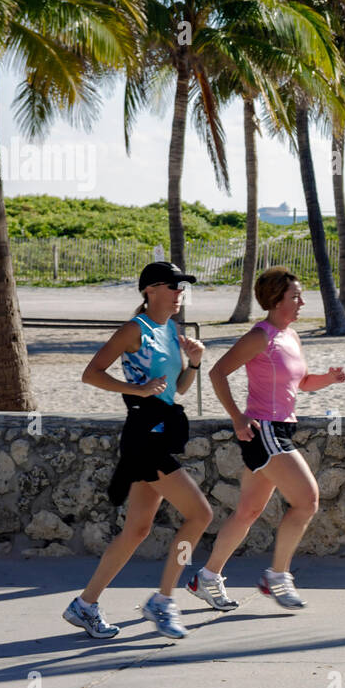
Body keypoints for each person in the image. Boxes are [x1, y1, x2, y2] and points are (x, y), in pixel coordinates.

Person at [62, 261, 213, 639]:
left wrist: (194, 362)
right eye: (174, 286)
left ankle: (84, 605)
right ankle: (163, 600)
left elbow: (177, 389)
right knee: (200, 514)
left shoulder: (170, 329)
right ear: (151, 290)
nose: (180, 292)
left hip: (161, 433)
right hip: (145, 434)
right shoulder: (135, 329)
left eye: (182, 287)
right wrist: (137, 390)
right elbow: (91, 373)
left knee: (138, 529)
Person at [188, 266, 345, 613]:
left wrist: (328, 380)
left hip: (282, 428)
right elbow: (218, 373)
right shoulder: (260, 336)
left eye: (300, 295)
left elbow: (302, 382)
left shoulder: (291, 336)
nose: (302, 301)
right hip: (265, 430)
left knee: (248, 511)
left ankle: (207, 577)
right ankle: (278, 576)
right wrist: (237, 416)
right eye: (295, 296)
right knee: (307, 501)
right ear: (276, 301)